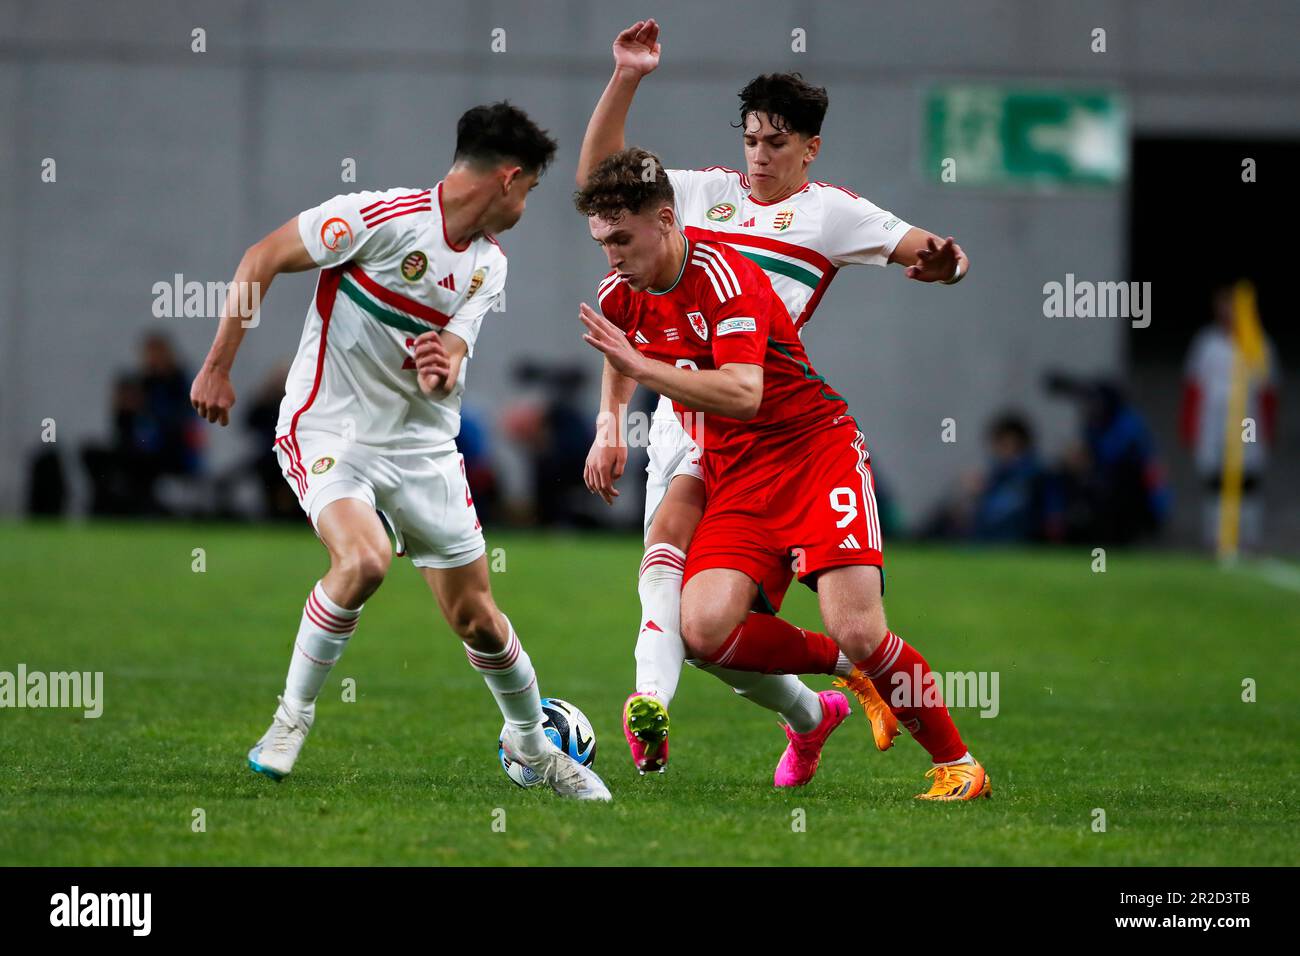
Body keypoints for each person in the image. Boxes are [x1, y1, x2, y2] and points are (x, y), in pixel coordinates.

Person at [577, 20, 973, 777]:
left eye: (777, 143)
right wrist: (627, 76)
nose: (758, 157)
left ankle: (853, 702)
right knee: (691, 616)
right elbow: (604, 185)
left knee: (707, 607)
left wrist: (949, 267)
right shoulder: (697, 196)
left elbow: (938, 252)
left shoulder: (833, 214)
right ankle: (807, 707)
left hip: (766, 411)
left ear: (810, 149)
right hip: (690, 417)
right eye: (751, 140)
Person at [188, 102, 610, 801]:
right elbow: (263, 258)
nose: (527, 205)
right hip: (332, 433)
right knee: (364, 560)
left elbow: (453, 348)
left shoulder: (487, 267)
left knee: (478, 616)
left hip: (423, 448)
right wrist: (217, 367)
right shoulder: (377, 218)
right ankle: (290, 721)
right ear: (509, 179)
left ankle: (536, 750)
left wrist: (444, 365)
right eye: (532, 190)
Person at [1180, 286, 1280, 551]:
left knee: (1247, 476)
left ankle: (1248, 538)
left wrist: (1268, 429)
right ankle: (1215, 538)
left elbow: (1268, 391)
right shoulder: (1207, 343)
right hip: (1213, 422)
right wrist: (1190, 427)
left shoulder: (1259, 342)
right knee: (1215, 478)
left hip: (1247, 421)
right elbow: (1194, 388)